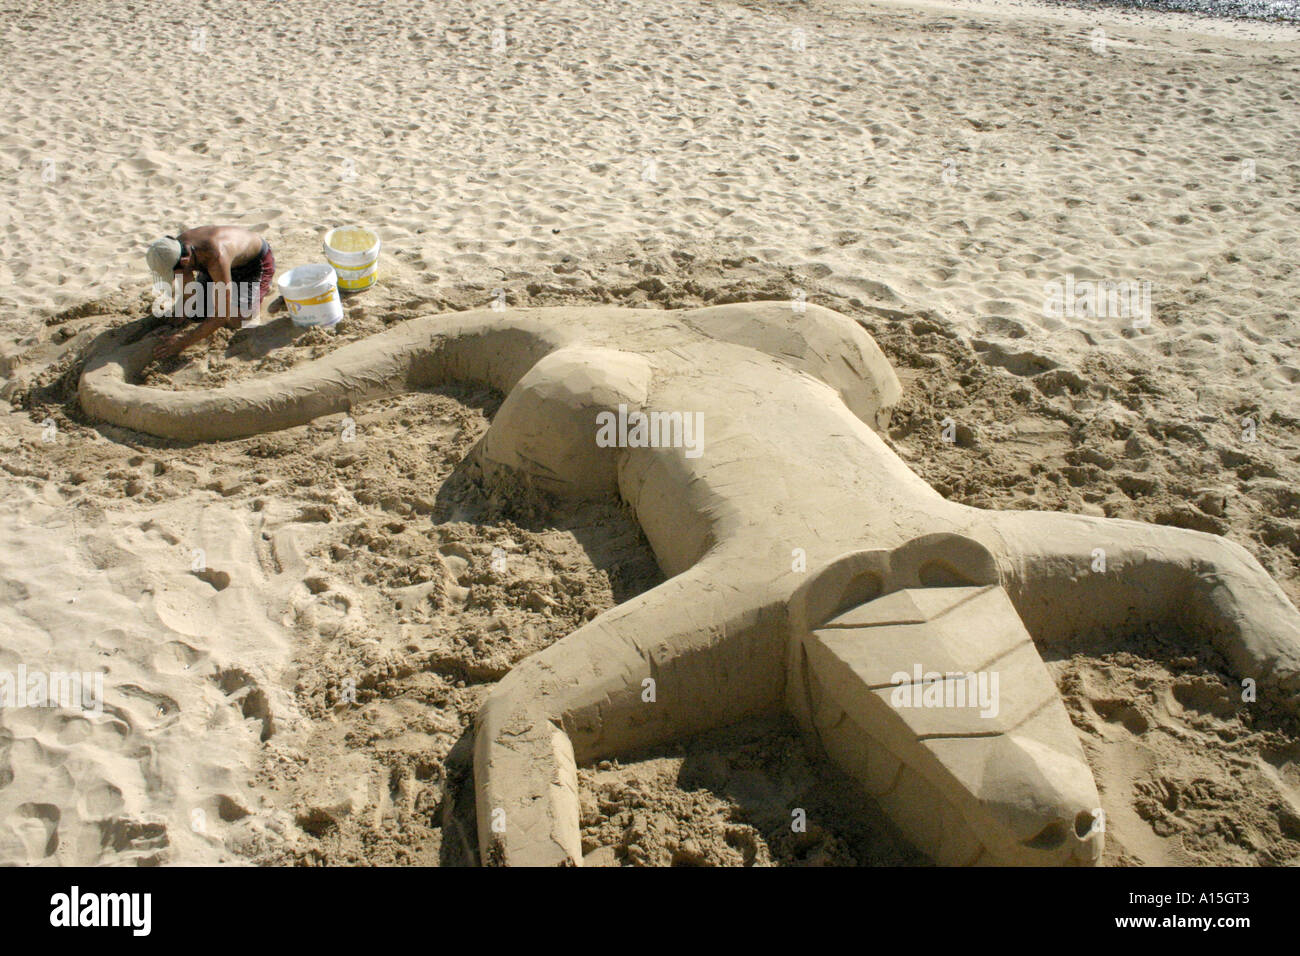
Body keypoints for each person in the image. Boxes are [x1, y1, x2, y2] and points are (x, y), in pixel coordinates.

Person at [146, 226, 275, 359]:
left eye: (173, 275)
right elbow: (184, 283)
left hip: (253, 264)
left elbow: (222, 315)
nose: (173, 279)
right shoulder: (172, 249)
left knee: (237, 320)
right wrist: (182, 309)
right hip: (215, 265)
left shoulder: (215, 257)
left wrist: (182, 342)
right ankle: (225, 288)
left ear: (185, 261)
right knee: (194, 311)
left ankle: (262, 287)